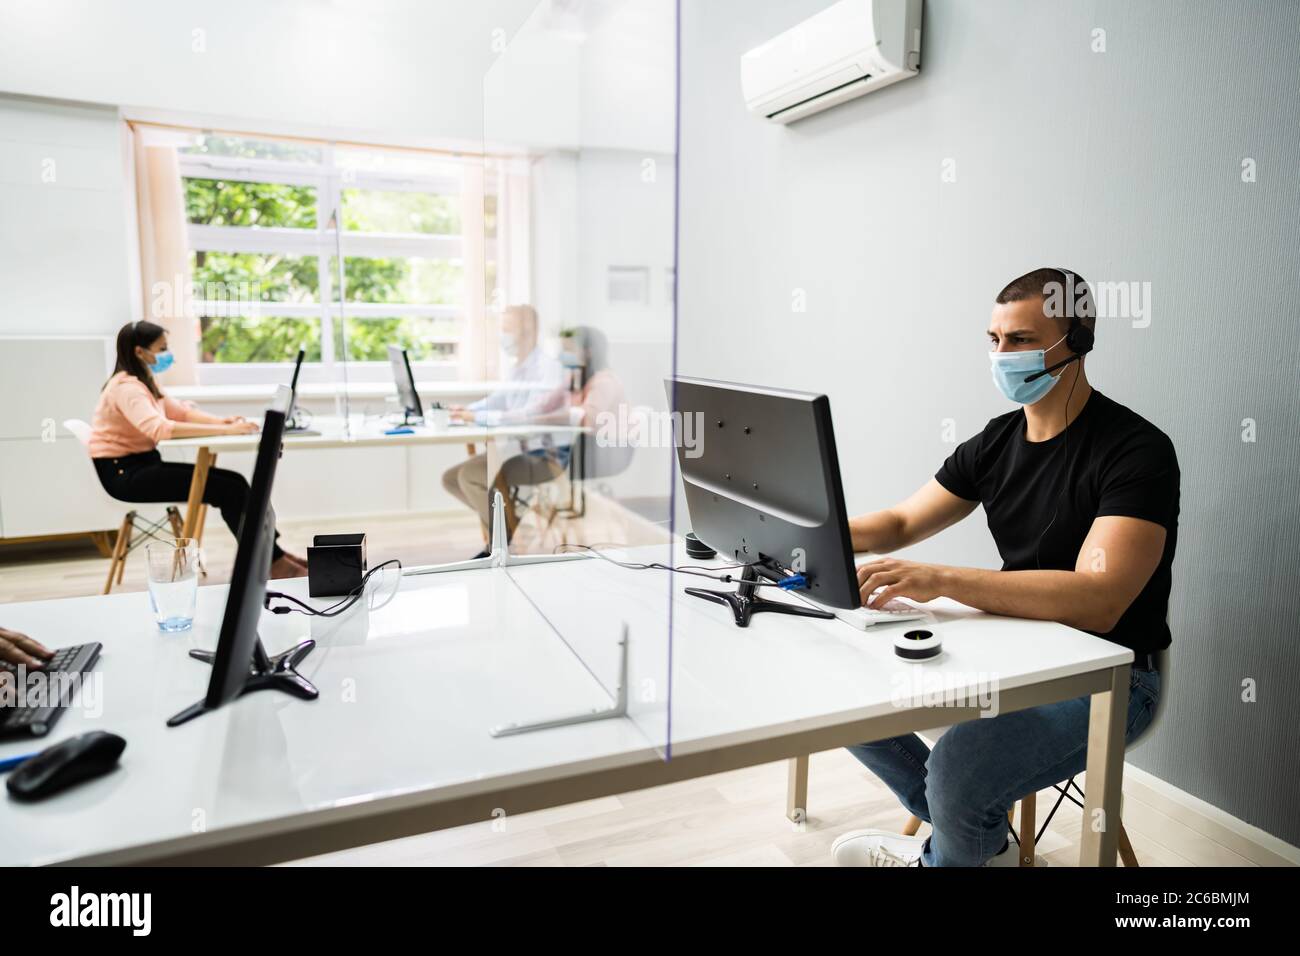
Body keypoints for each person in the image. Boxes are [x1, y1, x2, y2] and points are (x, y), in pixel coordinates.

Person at [832, 268, 1178, 868]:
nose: (1001, 355)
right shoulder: (996, 442)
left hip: (1115, 678)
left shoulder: (1137, 451)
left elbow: (1100, 599)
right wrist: (811, 532)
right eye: (993, 340)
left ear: (1079, 340)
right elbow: (899, 522)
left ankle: (953, 846)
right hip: (1019, 651)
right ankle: (975, 845)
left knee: (961, 769)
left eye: (1020, 340)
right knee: (841, 690)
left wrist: (941, 578)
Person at [89, 321, 306, 580]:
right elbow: (160, 428)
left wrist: (221, 422)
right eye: (162, 348)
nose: (167, 354)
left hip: (140, 465)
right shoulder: (126, 388)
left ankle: (274, 555)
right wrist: (226, 432)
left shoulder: (143, 381)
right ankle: (273, 562)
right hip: (124, 475)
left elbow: (179, 411)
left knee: (236, 483)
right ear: (139, 352)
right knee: (232, 490)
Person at [441, 305, 567, 549]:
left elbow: (528, 415)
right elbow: (497, 399)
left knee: (470, 476)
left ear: (528, 332)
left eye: (507, 329)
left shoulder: (548, 368)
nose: (502, 335)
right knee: (450, 479)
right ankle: (509, 524)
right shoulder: (519, 366)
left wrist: (476, 417)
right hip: (517, 450)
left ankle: (501, 540)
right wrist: (467, 410)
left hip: (543, 456)